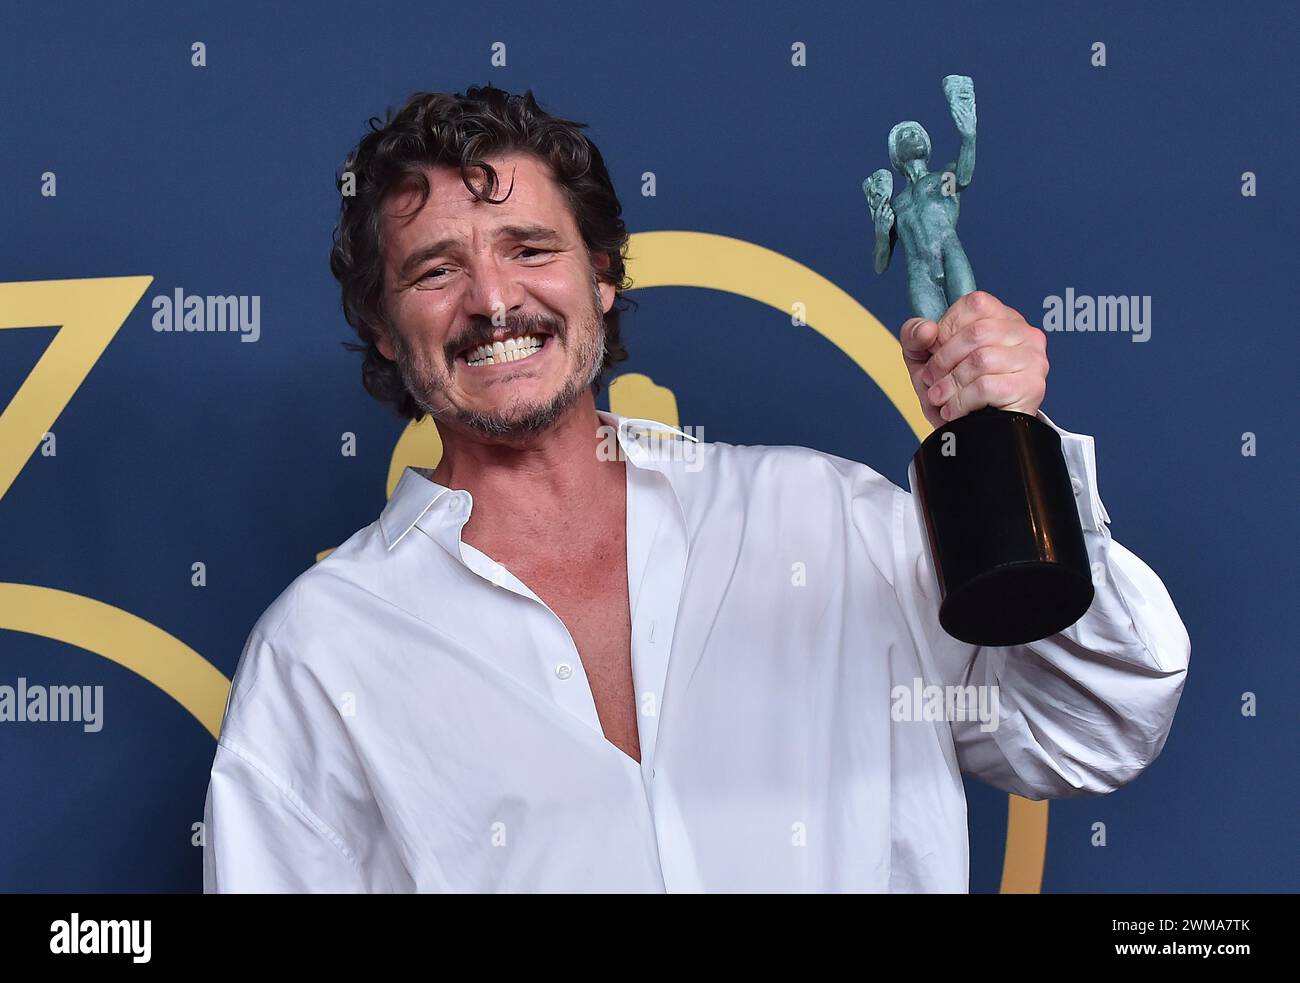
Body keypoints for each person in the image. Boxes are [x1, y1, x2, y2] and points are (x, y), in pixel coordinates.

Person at [202, 84, 1189, 892]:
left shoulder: (827, 522)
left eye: (529, 249)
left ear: (601, 278)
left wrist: (1011, 442)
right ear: (383, 327)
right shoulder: (323, 650)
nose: (493, 300)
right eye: (435, 269)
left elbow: (1092, 725)